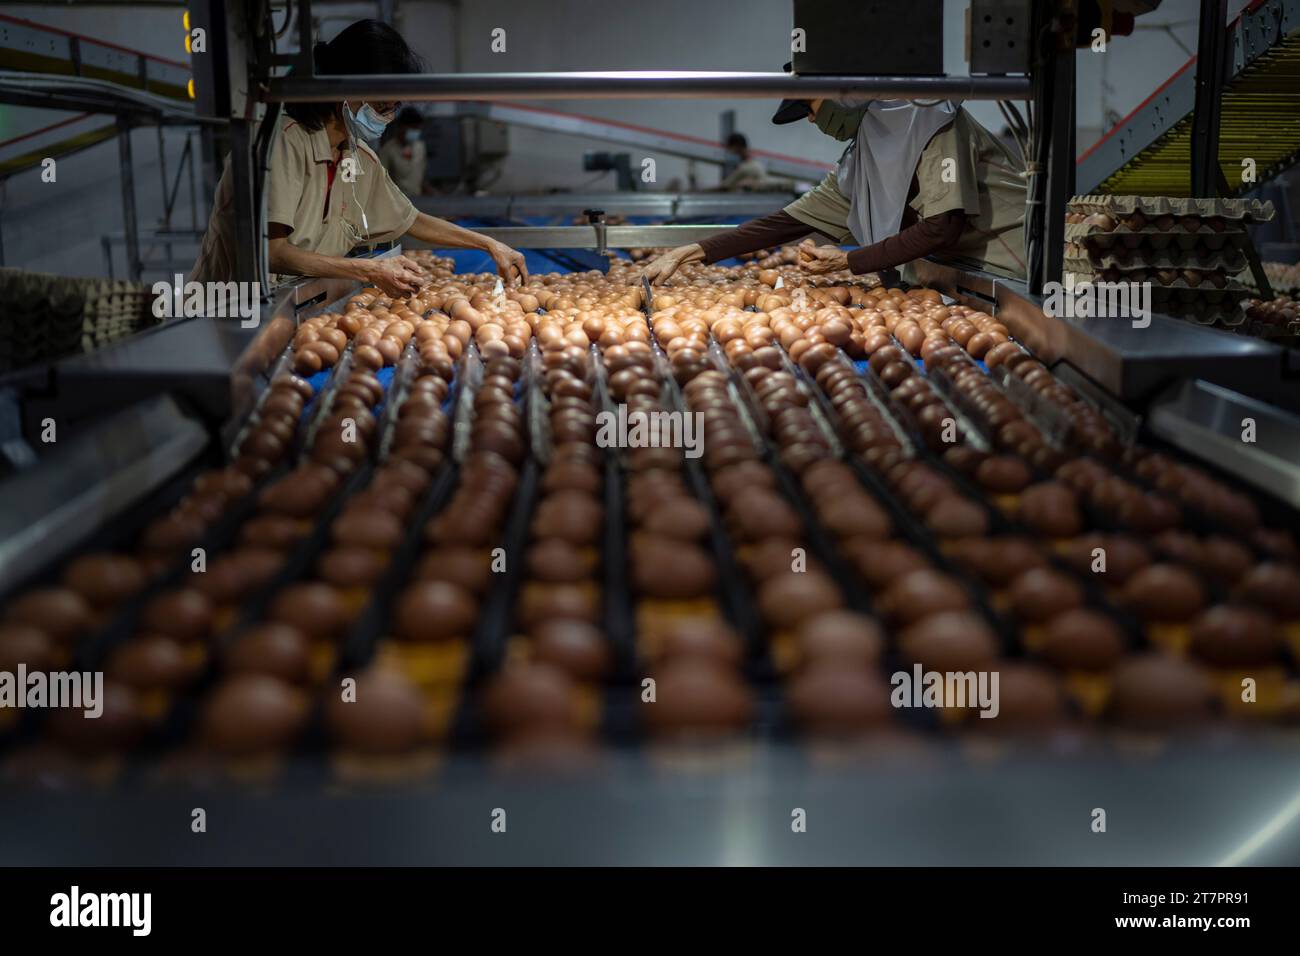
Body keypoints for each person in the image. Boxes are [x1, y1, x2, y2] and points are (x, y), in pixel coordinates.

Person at [190, 20, 526, 299]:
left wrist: (488, 244)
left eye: (395, 107)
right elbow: (272, 252)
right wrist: (370, 270)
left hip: (289, 308)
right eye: (382, 106)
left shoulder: (358, 156)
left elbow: (409, 220)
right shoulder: (284, 142)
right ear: (344, 87)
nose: (389, 117)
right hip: (229, 313)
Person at [642, 96, 1026, 284]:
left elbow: (943, 226)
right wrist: (695, 250)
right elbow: (784, 223)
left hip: (1015, 269)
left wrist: (849, 262)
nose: (811, 120)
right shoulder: (863, 159)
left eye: (811, 107)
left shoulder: (932, 122)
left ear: (846, 92)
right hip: (964, 277)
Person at [379, 107, 428, 196]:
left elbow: (420, 174)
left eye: (417, 129)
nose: (415, 132)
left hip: (418, 198)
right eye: (413, 128)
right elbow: (381, 181)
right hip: (397, 200)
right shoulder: (388, 149)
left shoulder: (420, 147)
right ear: (401, 127)